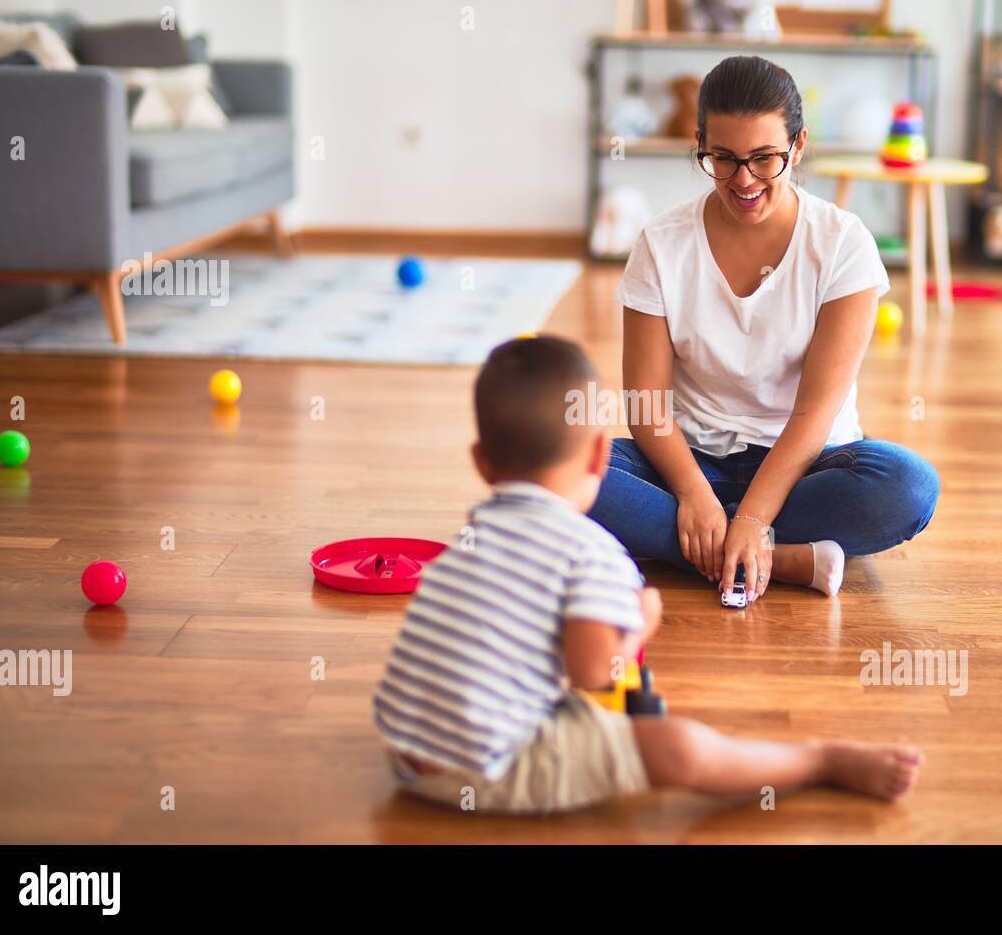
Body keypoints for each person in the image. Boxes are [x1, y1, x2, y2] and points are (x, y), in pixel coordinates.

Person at [374, 336, 922, 813]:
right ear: (596, 458)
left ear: (482, 462)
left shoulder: (469, 539)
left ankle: (756, 549)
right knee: (677, 748)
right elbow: (595, 670)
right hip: (489, 769)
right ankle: (815, 761)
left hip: (407, 757)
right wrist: (638, 621)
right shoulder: (589, 552)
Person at [589, 56, 940, 603]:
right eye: (723, 159)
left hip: (805, 466)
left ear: (797, 147)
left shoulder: (844, 244)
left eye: (764, 159)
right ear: (700, 144)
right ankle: (784, 561)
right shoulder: (661, 244)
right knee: (563, 470)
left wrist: (753, 515)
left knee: (909, 488)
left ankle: (727, 547)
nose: (743, 180)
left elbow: (814, 414)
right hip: (690, 460)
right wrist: (693, 494)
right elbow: (647, 407)